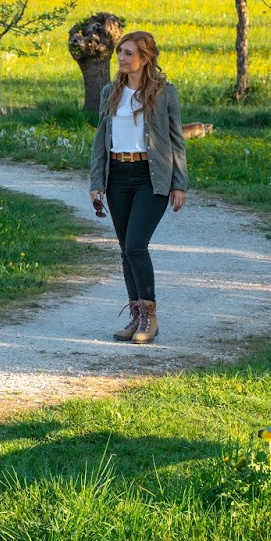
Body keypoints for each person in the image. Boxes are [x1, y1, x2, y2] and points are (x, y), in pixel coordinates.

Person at [89, 30, 187, 344]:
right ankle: (136, 317)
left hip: (150, 176)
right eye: (120, 53)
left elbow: (176, 140)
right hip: (117, 176)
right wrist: (96, 183)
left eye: (129, 53)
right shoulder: (110, 92)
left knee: (135, 247)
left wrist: (179, 184)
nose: (122, 58)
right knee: (125, 251)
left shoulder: (164, 92)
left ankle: (150, 317)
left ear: (145, 58)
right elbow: (100, 142)